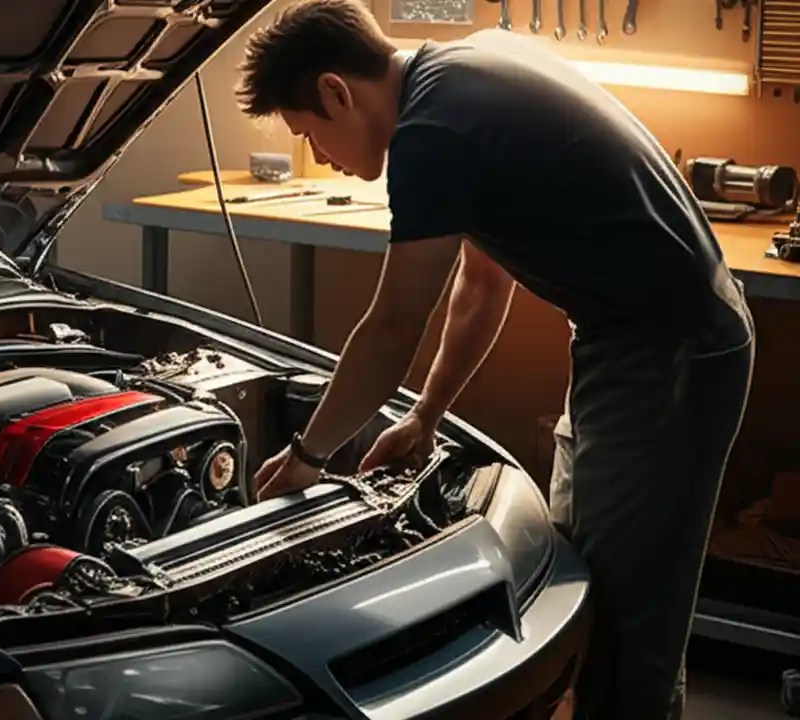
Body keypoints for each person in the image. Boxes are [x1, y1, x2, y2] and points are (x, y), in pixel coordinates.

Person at [236, 2, 755, 718]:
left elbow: (392, 327)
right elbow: (481, 284)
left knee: (628, 635)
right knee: (590, 589)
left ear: (336, 92)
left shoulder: (431, 130)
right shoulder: (465, 67)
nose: (319, 157)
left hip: (667, 355)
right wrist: (426, 416)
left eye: (308, 135)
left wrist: (307, 456)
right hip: (631, 346)